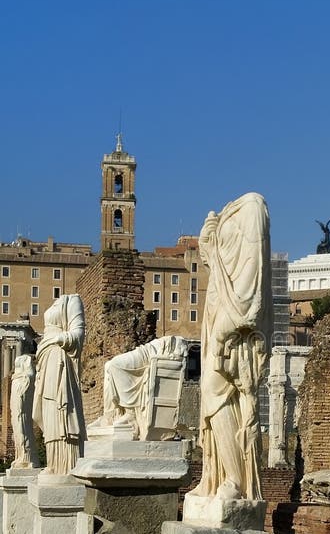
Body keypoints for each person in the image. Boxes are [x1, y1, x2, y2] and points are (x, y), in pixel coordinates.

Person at [195, 192, 272, 499]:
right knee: (211, 395)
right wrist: (207, 239)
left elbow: (251, 284)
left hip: (233, 329)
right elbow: (214, 264)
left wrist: (227, 328)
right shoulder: (230, 213)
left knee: (216, 392)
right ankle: (214, 477)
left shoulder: (252, 207)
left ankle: (235, 481)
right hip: (215, 315)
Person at [33, 294, 86, 476]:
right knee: (48, 413)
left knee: (61, 412)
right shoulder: (56, 303)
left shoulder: (72, 300)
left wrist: (57, 340)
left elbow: (78, 332)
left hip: (59, 358)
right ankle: (53, 463)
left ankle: (67, 465)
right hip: (46, 358)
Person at [100, 335, 188, 439]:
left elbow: (179, 355)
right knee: (108, 366)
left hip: (161, 349)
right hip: (154, 347)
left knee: (115, 365)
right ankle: (111, 414)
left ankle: (130, 413)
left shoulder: (178, 347)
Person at [10, 354, 39, 469]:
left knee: (23, 427)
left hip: (22, 411)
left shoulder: (27, 376)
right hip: (16, 409)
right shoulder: (17, 378)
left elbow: (24, 395)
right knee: (17, 428)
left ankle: (27, 457)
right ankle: (20, 456)